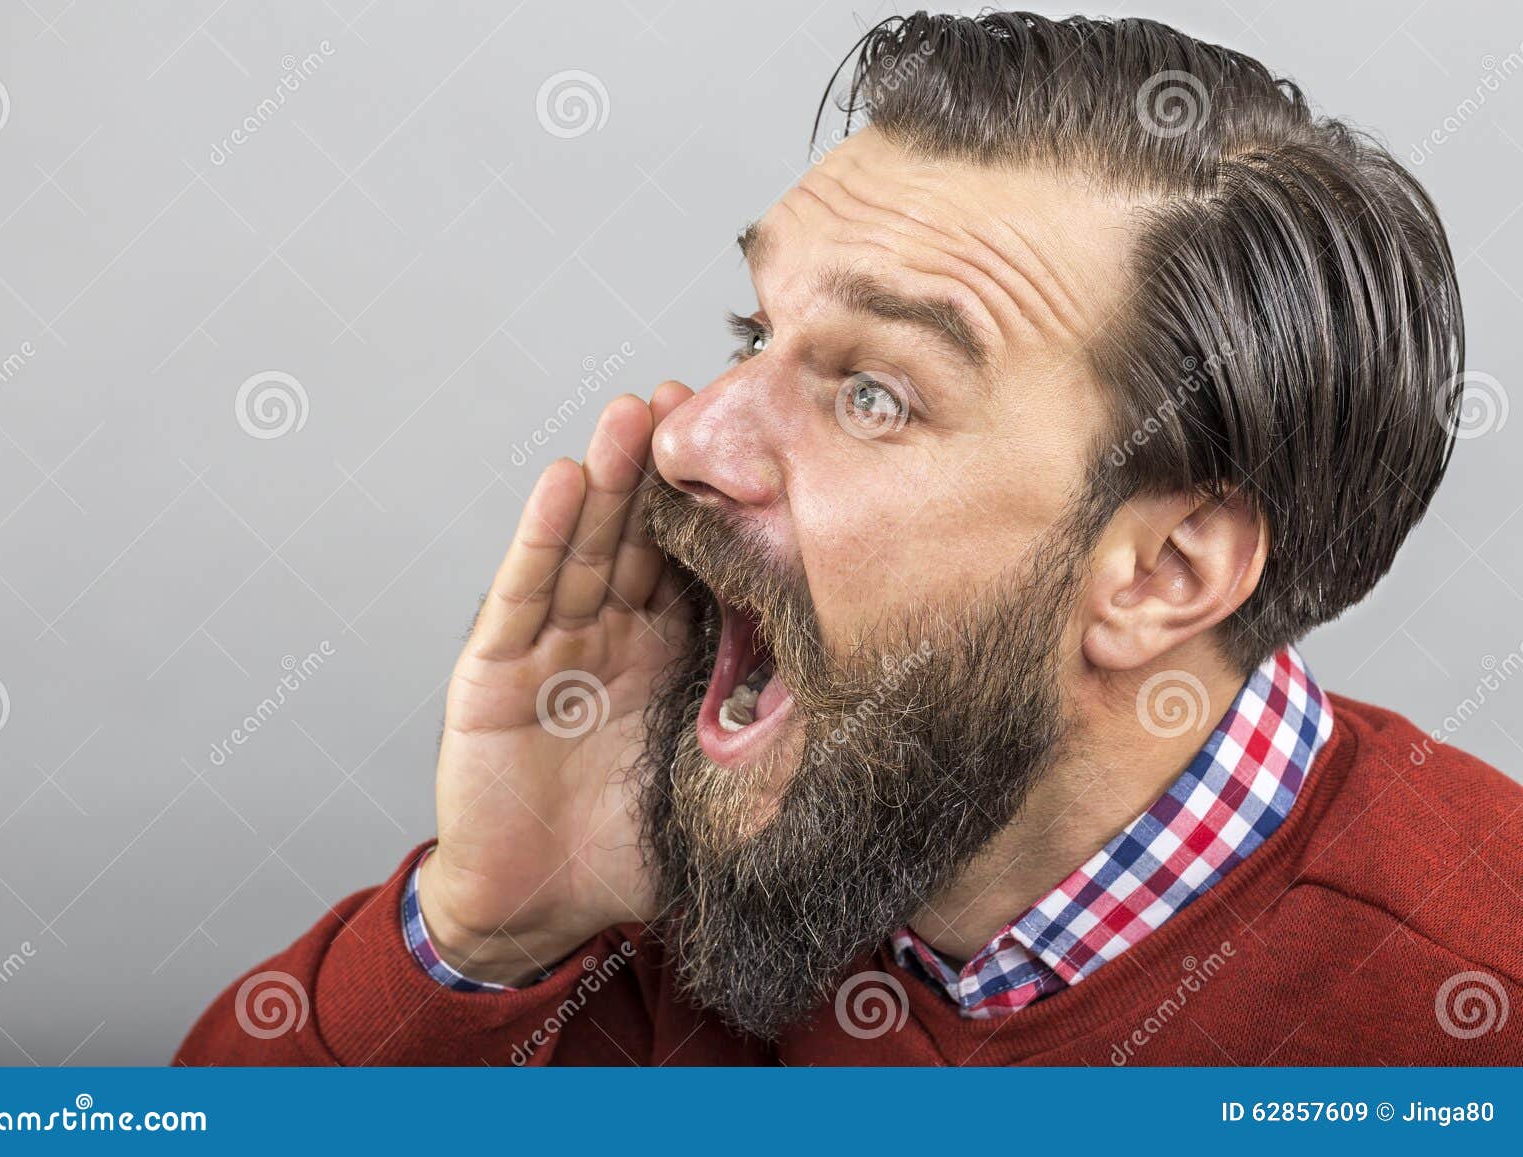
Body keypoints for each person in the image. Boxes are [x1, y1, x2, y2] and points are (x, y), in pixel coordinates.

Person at [177, 11, 1522, 1066]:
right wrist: (481, 933)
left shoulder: (1467, 1006)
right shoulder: (688, 866)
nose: (693, 437)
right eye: (757, 334)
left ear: (1160, 571)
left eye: (875, 393)